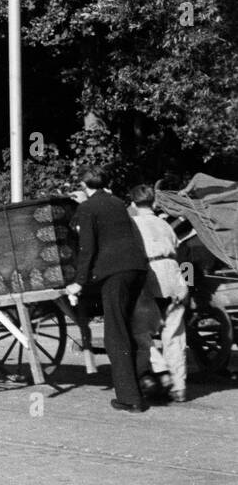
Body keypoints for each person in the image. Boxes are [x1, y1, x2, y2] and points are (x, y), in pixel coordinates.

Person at [65, 167, 150, 412]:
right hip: (137, 269)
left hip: (114, 274)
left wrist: (79, 282)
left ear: (83, 185)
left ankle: (130, 398)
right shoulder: (117, 202)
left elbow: (87, 249)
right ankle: (140, 384)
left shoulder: (88, 208)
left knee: (116, 334)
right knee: (130, 329)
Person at [127, 184, 189, 403]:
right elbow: (179, 250)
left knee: (141, 332)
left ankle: (161, 371)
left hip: (152, 277)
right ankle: (179, 387)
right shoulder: (165, 225)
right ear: (153, 203)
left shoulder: (132, 225)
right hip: (174, 276)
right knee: (174, 335)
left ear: (133, 204)